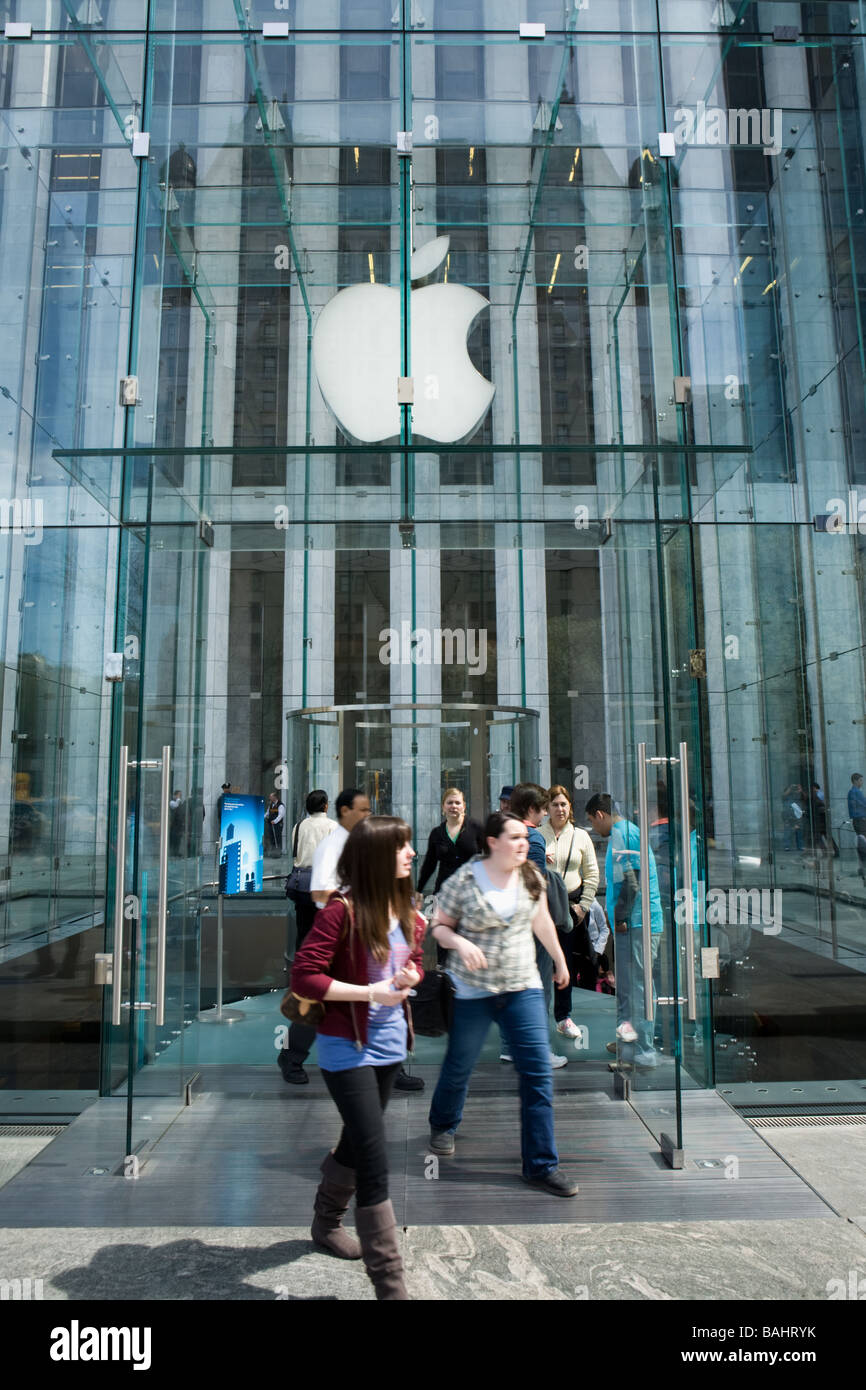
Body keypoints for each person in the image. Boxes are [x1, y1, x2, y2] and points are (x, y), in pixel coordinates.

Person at [291, 816, 426, 1299]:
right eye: (401, 847)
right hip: (345, 1048)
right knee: (375, 1158)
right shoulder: (339, 912)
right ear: (374, 857)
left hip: (390, 1047)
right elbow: (304, 977)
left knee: (356, 1141)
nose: (410, 854)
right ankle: (391, 1288)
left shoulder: (405, 909)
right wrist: (370, 992)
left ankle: (325, 1223)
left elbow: (413, 963)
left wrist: (409, 977)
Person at [427, 812, 579, 1197]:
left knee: (537, 1074)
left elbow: (542, 919)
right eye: (515, 837)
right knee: (459, 1066)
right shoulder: (464, 879)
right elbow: (439, 926)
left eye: (524, 837)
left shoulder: (530, 876)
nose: (523, 842)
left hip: (522, 987)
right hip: (474, 991)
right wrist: (460, 942)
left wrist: (559, 960)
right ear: (493, 842)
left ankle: (541, 1165)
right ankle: (443, 1123)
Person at [280, 788, 370, 1086]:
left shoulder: (355, 841)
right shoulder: (332, 843)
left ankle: (386, 1064)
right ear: (342, 810)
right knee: (319, 996)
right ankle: (291, 1055)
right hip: (338, 930)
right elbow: (320, 893)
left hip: (358, 929)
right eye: (362, 809)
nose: (366, 815)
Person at [585, 791, 663, 1069]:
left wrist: (618, 917)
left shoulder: (622, 834)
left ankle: (644, 1050)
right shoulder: (625, 832)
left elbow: (632, 882)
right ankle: (629, 1042)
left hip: (638, 922)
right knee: (629, 987)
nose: (594, 828)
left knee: (639, 987)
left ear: (601, 815)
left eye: (592, 821)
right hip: (633, 921)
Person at [277, 791, 336, 1086]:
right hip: (322, 885)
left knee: (305, 933)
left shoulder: (299, 826)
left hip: (301, 884)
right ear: (326, 806)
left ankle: (305, 964)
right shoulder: (333, 827)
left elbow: (295, 852)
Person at [507, 783, 567, 1068]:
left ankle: (510, 1045)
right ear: (531, 809)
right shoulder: (533, 838)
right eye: (543, 808)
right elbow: (535, 890)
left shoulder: (501, 834)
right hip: (530, 924)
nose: (545, 815)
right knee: (539, 987)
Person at [541, 785, 599, 1035]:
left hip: (571, 908)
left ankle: (563, 1017)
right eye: (555, 804)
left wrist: (584, 907)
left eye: (564, 804)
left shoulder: (581, 836)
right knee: (542, 962)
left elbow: (592, 873)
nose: (560, 809)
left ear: (570, 808)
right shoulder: (537, 835)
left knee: (566, 961)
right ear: (547, 808)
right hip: (542, 907)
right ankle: (538, 1019)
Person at [416, 788, 483, 897]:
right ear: (443, 806)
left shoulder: (476, 827)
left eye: (457, 803)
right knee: (434, 913)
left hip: (471, 892)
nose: (454, 806)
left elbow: (489, 857)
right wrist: (419, 890)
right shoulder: (436, 833)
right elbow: (429, 865)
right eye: (449, 803)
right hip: (443, 891)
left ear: (464, 806)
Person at [265, 791, 285, 857]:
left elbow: (281, 815)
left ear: (275, 797)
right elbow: (267, 813)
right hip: (271, 824)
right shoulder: (271, 805)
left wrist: (275, 821)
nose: (269, 798)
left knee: (277, 838)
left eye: (271, 797)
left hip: (277, 825)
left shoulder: (280, 805)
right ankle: (273, 852)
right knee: (272, 838)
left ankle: (278, 853)